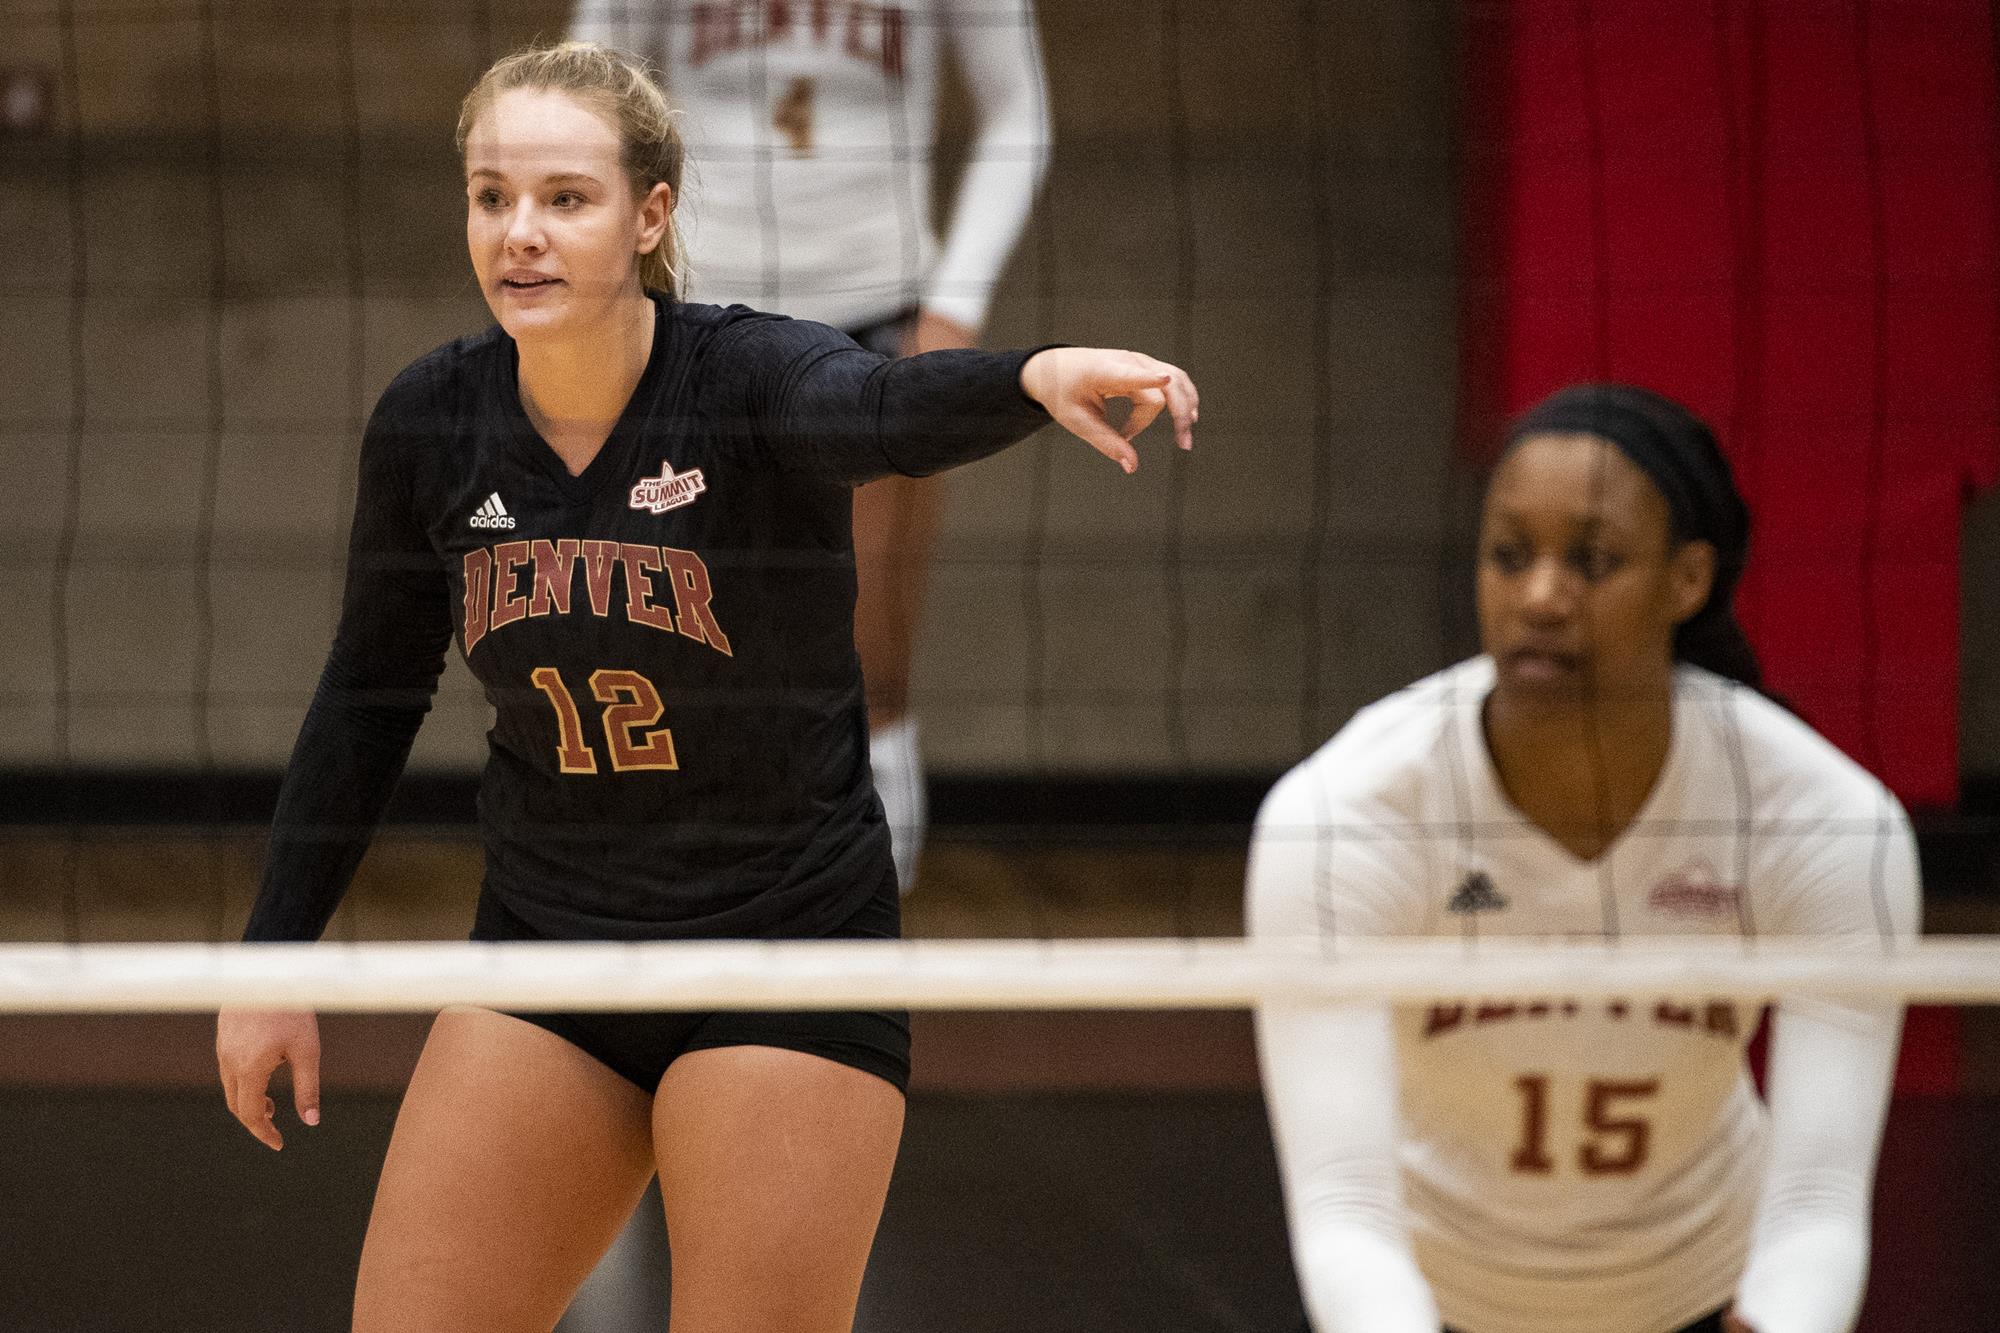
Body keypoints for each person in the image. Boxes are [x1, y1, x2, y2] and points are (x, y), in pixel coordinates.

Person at [212, 41, 1192, 1333]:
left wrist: (1026, 374)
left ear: (651, 213)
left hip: (779, 956)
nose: (520, 231)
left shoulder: (749, 375)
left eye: (566, 197)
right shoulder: (434, 420)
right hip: (551, 951)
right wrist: (276, 957)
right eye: (490, 194)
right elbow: (367, 696)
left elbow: (881, 410)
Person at [1247, 384, 1916, 1333]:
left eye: (1592, 560)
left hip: (1703, 1286)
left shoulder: (1825, 821)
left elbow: (1816, 1204)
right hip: (1429, 1294)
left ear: (1688, 580)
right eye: (1510, 555)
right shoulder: (1344, 815)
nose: (1541, 596)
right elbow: (1345, 1208)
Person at [568, 0, 1053, 894]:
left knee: (867, 667)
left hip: (878, 324)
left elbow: (1019, 113)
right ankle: (678, 916)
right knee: (670, 637)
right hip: (698, 323)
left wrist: (956, 305)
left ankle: (866, 933)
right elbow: (583, 93)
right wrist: (607, 278)